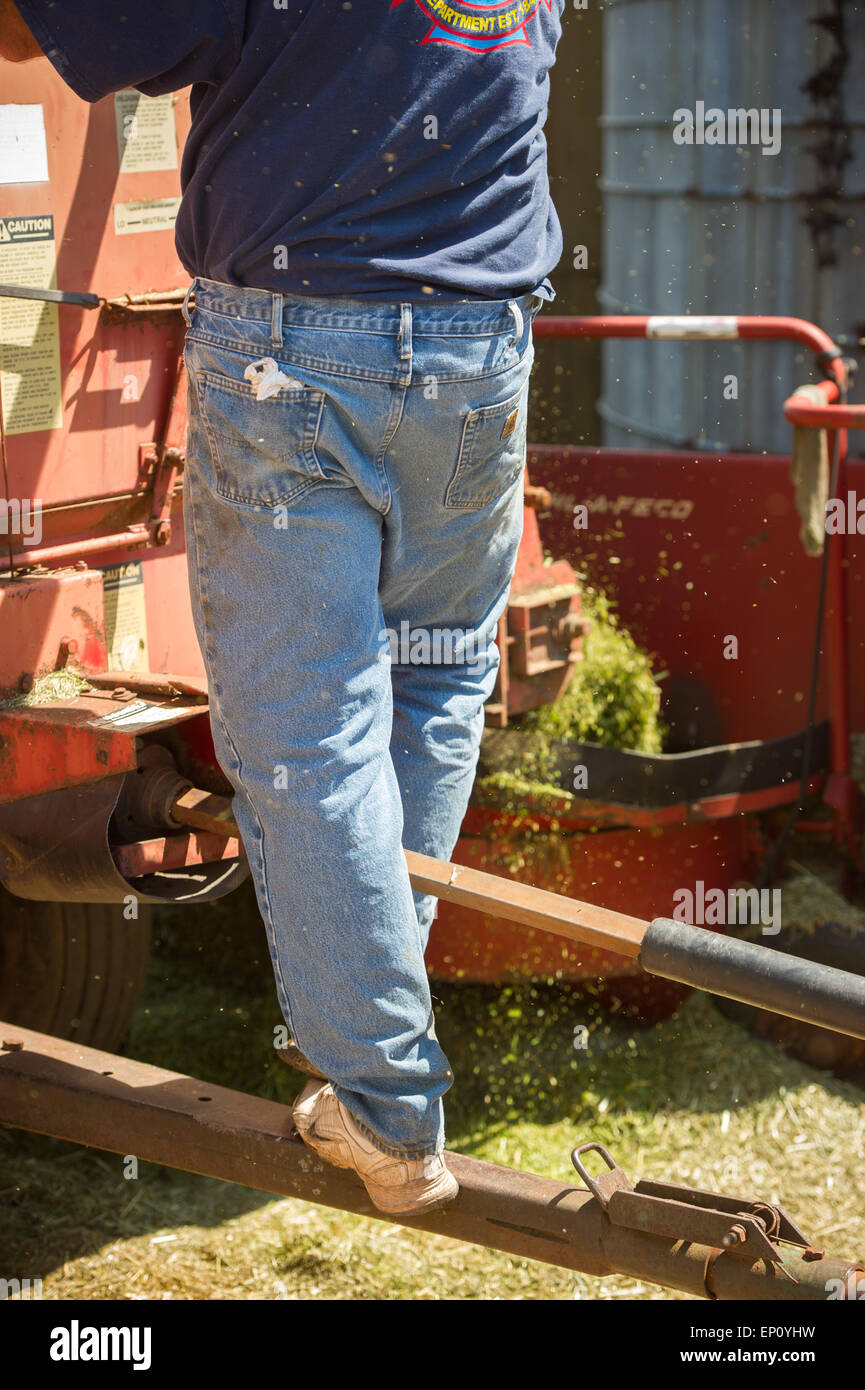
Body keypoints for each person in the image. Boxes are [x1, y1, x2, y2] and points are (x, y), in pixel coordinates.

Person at [0, 0, 564, 1215]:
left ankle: (384, 1102)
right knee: (431, 679)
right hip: (481, 344)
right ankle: (361, 1036)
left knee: (312, 734)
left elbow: (31, 43)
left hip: (301, 349)